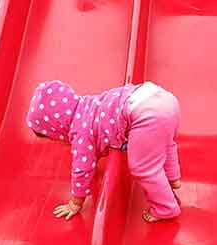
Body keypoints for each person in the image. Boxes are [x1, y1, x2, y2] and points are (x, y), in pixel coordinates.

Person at [27, 80, 181, 223]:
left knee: (142, 168)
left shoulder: (80, 132)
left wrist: (75, 203)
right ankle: (173, 178)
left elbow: (82, 169)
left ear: (56, 127)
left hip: (147, 112)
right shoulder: (89, 105)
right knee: (166, 142)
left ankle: (165, 208)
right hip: (161, 97)